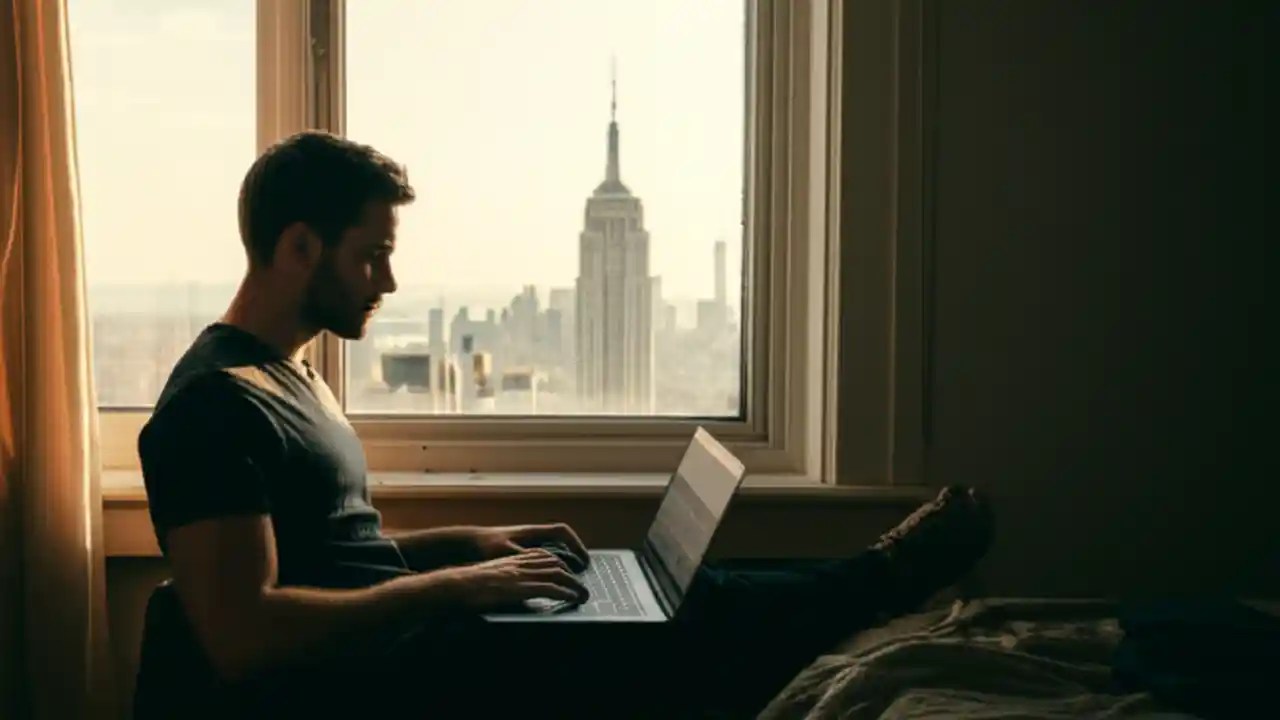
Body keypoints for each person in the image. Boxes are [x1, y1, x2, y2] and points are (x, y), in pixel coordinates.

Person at [137, 130, 994, 719]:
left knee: (685, 588)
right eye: (372, 255)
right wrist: (455, 589)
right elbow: (246, 636)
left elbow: (338, 561)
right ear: (297, 249)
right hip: (402, 678)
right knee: (690, 622)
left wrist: (472, 541)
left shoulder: (291, 374)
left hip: (423, 632)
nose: (387, 281)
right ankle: (884, 580)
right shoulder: (214, 408)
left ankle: (870, 580)